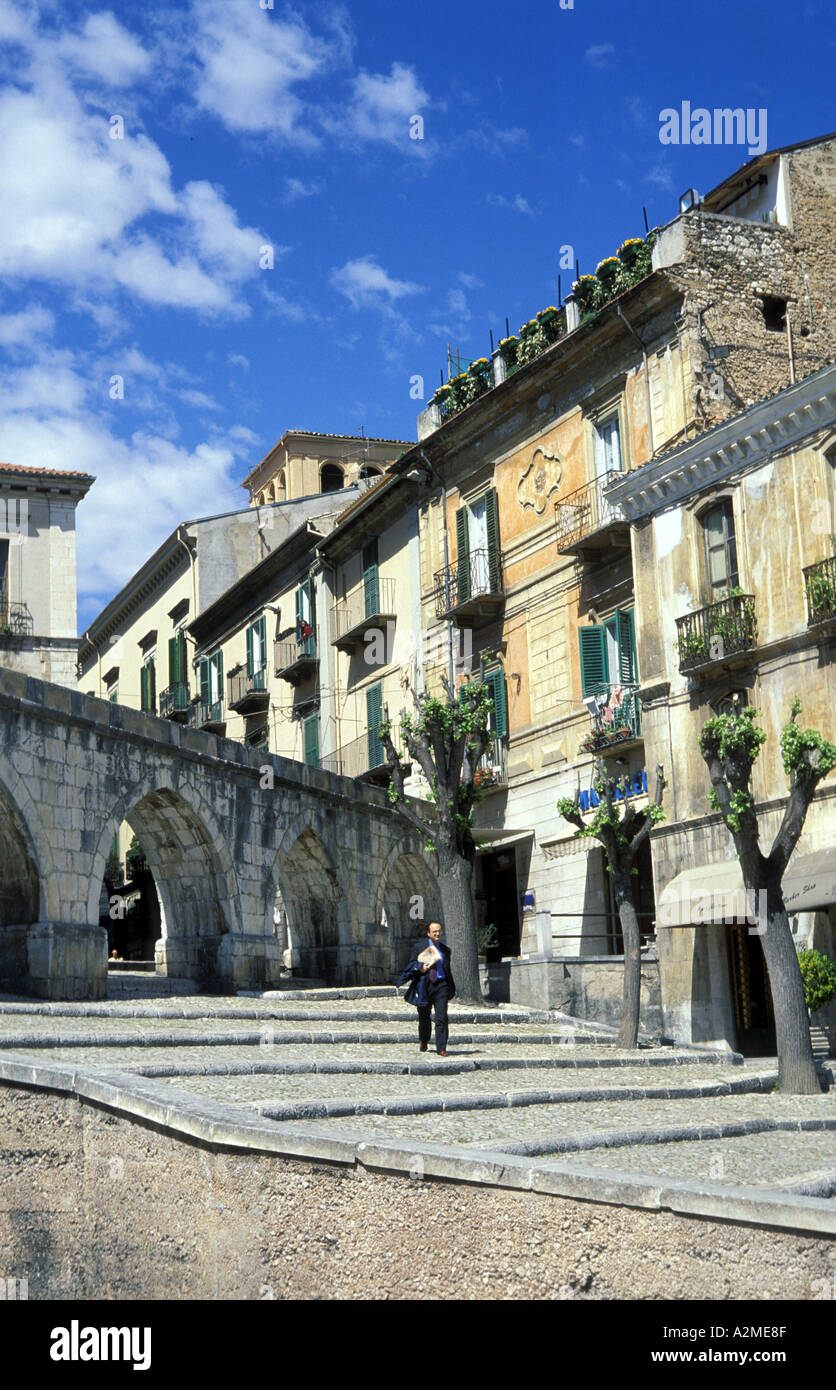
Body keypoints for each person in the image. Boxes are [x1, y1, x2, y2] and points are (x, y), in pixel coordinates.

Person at [397, 921, 456, 1056]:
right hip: (425, 985)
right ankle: (424, 1040)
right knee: (424, 1016)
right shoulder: (419, 947)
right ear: (428, 933)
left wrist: (450, 987)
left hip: (441, 985)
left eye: (439, 931)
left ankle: (441, 1048)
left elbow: (448, 969)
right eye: (434, 931)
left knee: (441, 1017)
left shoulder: (446, 950)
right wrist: (420, 968)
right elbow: (412, 964)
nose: (437, 933)